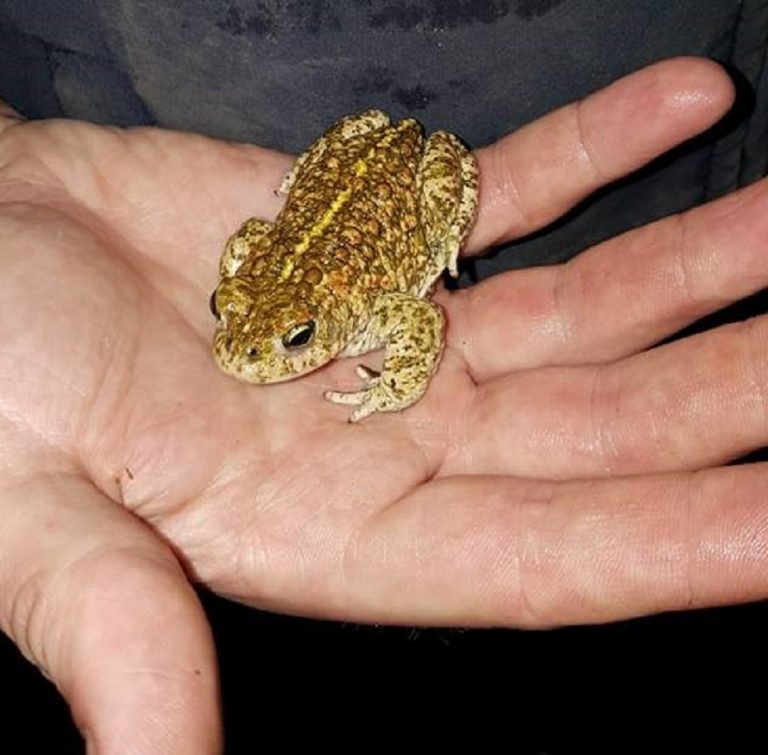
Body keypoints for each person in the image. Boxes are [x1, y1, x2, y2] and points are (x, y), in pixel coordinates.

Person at [1, 3, 767, 753]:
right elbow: (248, 245)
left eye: (289, 342)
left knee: (447, 187)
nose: (245, 354)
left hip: (427, 170)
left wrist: (393, 378)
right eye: (231, 320)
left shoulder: (364, 307)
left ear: (324, 325)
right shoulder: (257, 286)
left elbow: (422, 319)